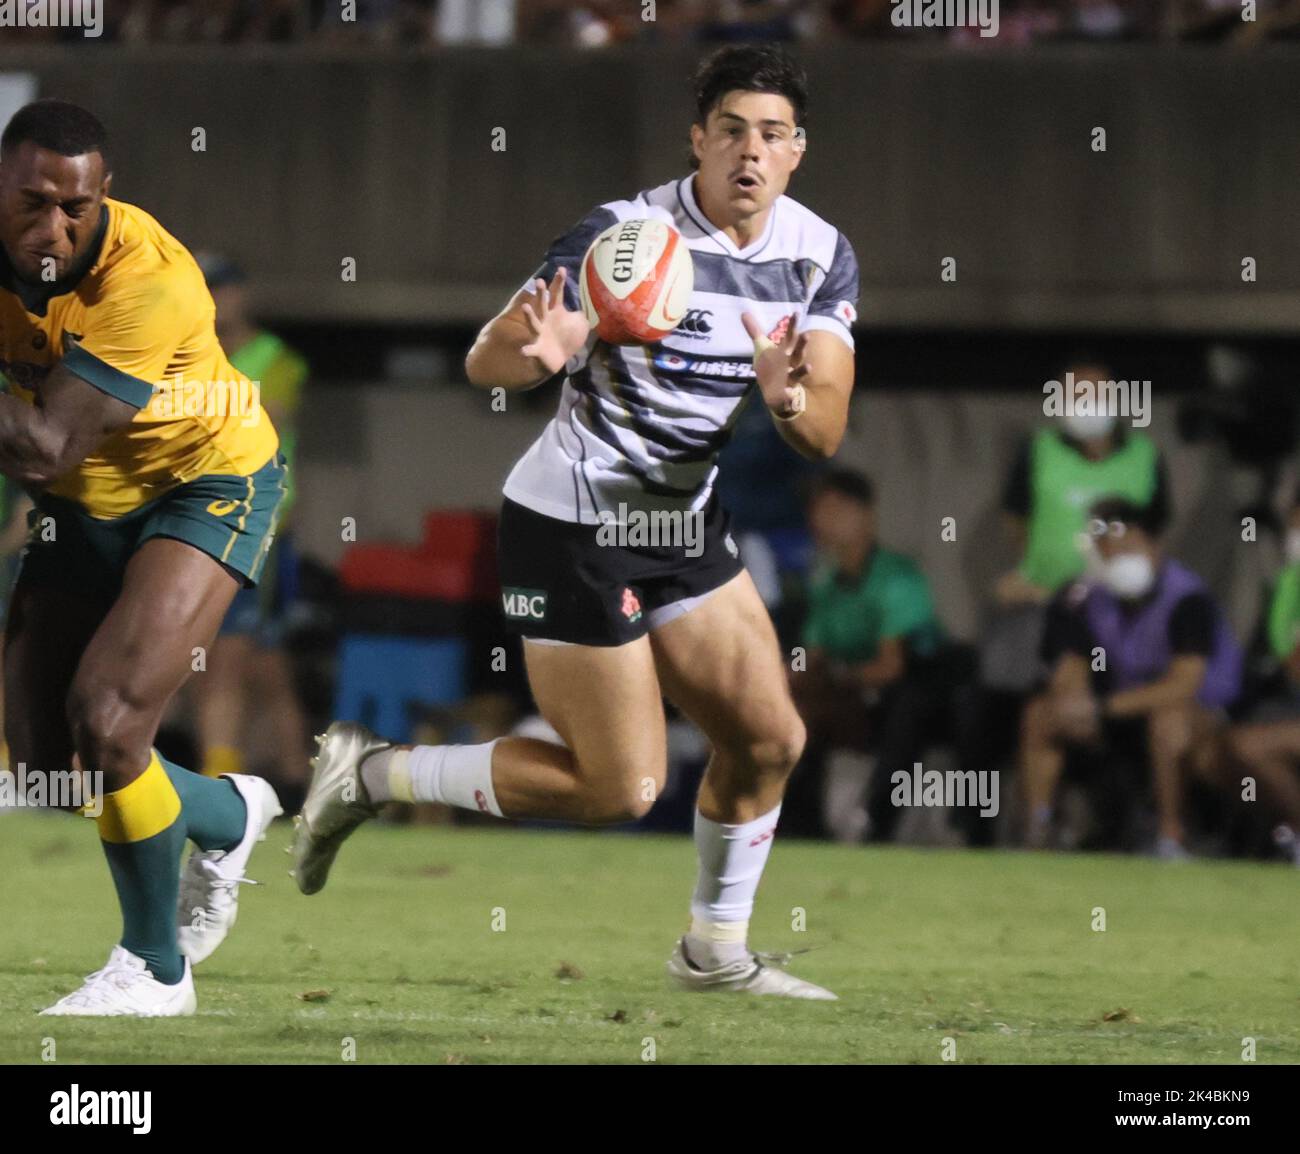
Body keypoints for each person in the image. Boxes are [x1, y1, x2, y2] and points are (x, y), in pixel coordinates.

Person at [293, 44, 858, 999]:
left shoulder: (819, 254)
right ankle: (370, 775)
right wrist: (539, 352)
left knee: (770, 742)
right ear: (698, 140)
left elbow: (828, 426)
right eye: (730, 132)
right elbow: (488, 359)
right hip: (575, 526)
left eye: (770, 135)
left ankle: (712, 952)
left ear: (797, 150)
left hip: (685, 525)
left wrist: (788, 399)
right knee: (619, 789)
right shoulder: (622, 234)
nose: (749, 154)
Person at [0, 100, 286, 1016]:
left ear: (105, 197)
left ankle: (156, 971)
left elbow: (45, 444)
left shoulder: (151, 278)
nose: (55, 229)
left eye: (77, 208)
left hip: (202, 483)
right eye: (33, 202)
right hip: (81, 507)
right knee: (49, 762)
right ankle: (228, 816)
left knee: (111, 719)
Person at [1020, 497, 1242, 858]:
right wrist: (1072, 699)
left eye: (1129, 544)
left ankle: (1170, 837)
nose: (1119, 554)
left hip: (1201, 712)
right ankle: (1038, 829)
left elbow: (1183, 685)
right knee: (1043, 714)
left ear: (1154, 543)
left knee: (1167, 722)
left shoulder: (1187, 597)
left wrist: (1104, 707)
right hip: (1123, 711)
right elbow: (1070, 667)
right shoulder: (1088, 596)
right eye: (1109, 546)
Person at [187, 255, 309, 804]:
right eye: (202, 288)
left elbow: (266, 416)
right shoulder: (185, 353)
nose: (213, 299)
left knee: (227, 661)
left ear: (240, 294)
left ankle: (219, 788)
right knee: (263, 667)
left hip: (257, 530)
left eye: (221, 288)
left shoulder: (276, 358)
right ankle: (299, 782)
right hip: (203, 524)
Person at [789, 469, 945, 843]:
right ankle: (800, 827)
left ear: (865, 515)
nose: (821, 519)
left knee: (905, 708)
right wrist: (784, 683)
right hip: (858, 696)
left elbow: (892, 666)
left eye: (834, 508)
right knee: (798, 714)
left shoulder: (898, 576)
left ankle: (877, 826)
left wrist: (838, 679)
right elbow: (812, 657)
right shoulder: (827, 585)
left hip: (916, 696)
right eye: (817, 509)